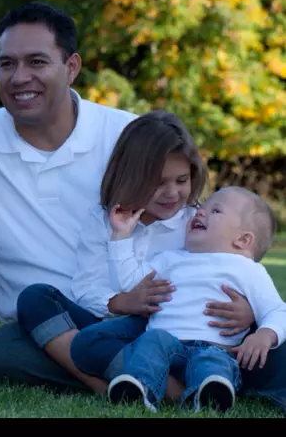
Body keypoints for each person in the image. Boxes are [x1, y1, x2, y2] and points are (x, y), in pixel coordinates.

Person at [0, 2, 252, 395]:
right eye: (7, 64)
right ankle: (157, 385)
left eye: (36, 61)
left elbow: (210, 236)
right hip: (61, 326)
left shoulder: (128, 133)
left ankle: (160, 376)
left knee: (262, 344)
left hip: (166, 320)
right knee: (3, 350)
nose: (20, 77)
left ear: (72, 67)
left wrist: (250, 310)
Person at [16, 110, 252, 396]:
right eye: (159, 182)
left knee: (266, 346)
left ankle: (144, 381)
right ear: (131, 175)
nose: (172, 193)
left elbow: (238, 271)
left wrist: (248, 311)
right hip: (114, 330)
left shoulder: (197, 223)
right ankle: (149, 388)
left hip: (179, 336)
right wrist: (122, 303)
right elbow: (87, 288)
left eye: (181, 180)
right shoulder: (102, 222)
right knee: (35, 299)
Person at [70, 186, 285, 413]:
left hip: (216, 347)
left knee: (213, 363)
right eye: (202, 207)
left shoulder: (248, 270)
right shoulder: (170, 260)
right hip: (167, 342)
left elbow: (277, 310)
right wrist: (121, 237)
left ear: (243, 240)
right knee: (150, 343)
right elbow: (131, 281)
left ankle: (210, 395)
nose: (200, 212)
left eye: (216, 211)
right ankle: (138, 388)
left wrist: (265, 334)